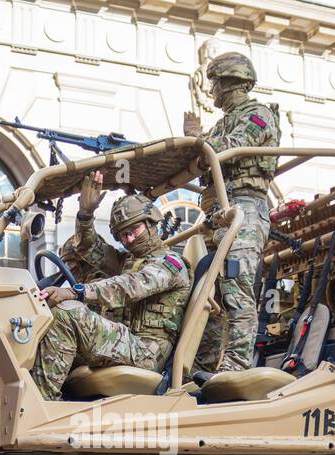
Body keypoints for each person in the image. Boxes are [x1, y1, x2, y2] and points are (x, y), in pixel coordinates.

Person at [30, 185, 190, 400]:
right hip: (125, 343)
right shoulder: (128, 261)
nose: (129, 240)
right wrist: (85, 214)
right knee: (40, 329)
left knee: (67, 314)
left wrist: (76, 292)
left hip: (146, 350)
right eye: (123, 235)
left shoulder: (170, 264)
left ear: (151, 223)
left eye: (133, 231)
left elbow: (129, 287)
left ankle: (42, 407)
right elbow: (89, 248)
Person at [185, 51, 280, 373]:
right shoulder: (222, 123)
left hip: (244, 208)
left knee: (236, 288)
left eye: (214, 83)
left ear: (229, 82)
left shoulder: (258, 115)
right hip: (220, 211)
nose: (210, 91)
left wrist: (198, 142)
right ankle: (207, 364)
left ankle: (236, 364)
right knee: (209, 291)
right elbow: (201, 158)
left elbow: (225, 149)